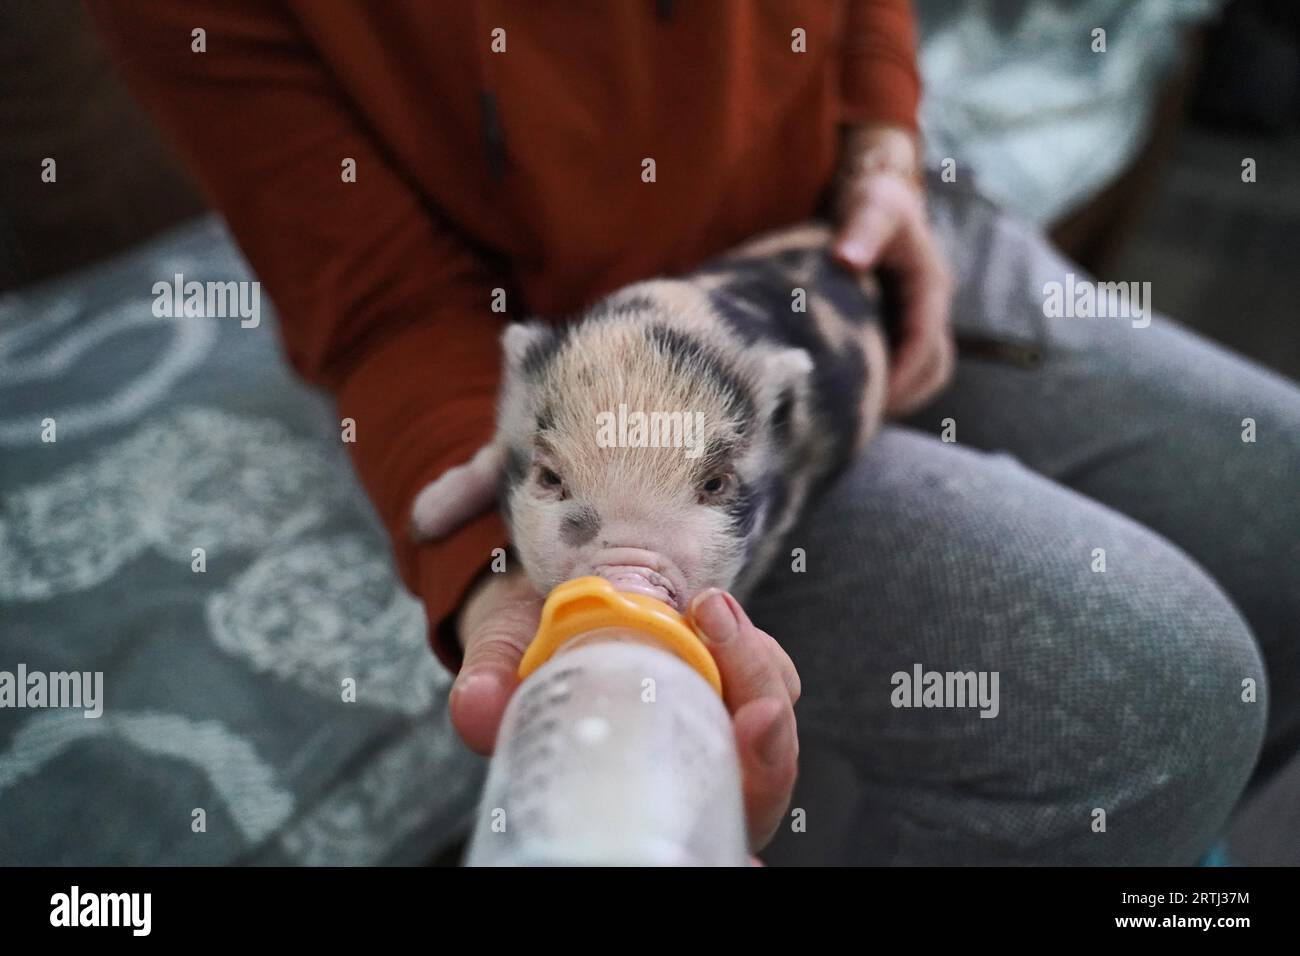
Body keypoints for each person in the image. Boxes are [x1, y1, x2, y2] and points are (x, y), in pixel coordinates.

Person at [91, 0, 1299, 863]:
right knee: (1166, 695)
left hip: (867, 236)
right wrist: (498, 577)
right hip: (608, 381)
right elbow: (384, 308)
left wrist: (879, 137)